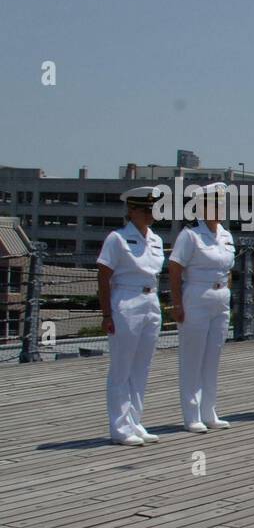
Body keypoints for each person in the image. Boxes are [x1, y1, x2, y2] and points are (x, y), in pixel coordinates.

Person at [97, 186, 166, 446]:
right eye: (147, 209)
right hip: (126, 300)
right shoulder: (117, 238)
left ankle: (135, 421)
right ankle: (119, 427)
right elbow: (104, 276)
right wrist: (106, 313)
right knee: (121, 367)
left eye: (154, 209)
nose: (151, 214)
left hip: (151, 300)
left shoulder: (156, 239)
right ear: (132, 210)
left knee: (142, 367)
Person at [169, 181, 236, 433]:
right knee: (192, 358)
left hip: (221, 298)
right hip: (196, 296)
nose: (218, 208)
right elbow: (175, 269)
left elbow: (228, 270)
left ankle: (209, 411)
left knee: (212, 357)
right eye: (213, 204)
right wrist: (176, 303)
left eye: (221, 203)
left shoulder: (227, 236)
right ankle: (191, 414)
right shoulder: (190, 235)